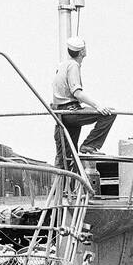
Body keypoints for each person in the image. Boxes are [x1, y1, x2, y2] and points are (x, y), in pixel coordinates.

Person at [52, 37, 116, 171]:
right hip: (70, 112)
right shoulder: (73, 65)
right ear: (82, 52)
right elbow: (77, 93)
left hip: (60, 115)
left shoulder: (61, 65)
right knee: (109, 114)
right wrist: (98, 106)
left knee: (66, 157)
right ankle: (90, 145)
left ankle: (63, 191)